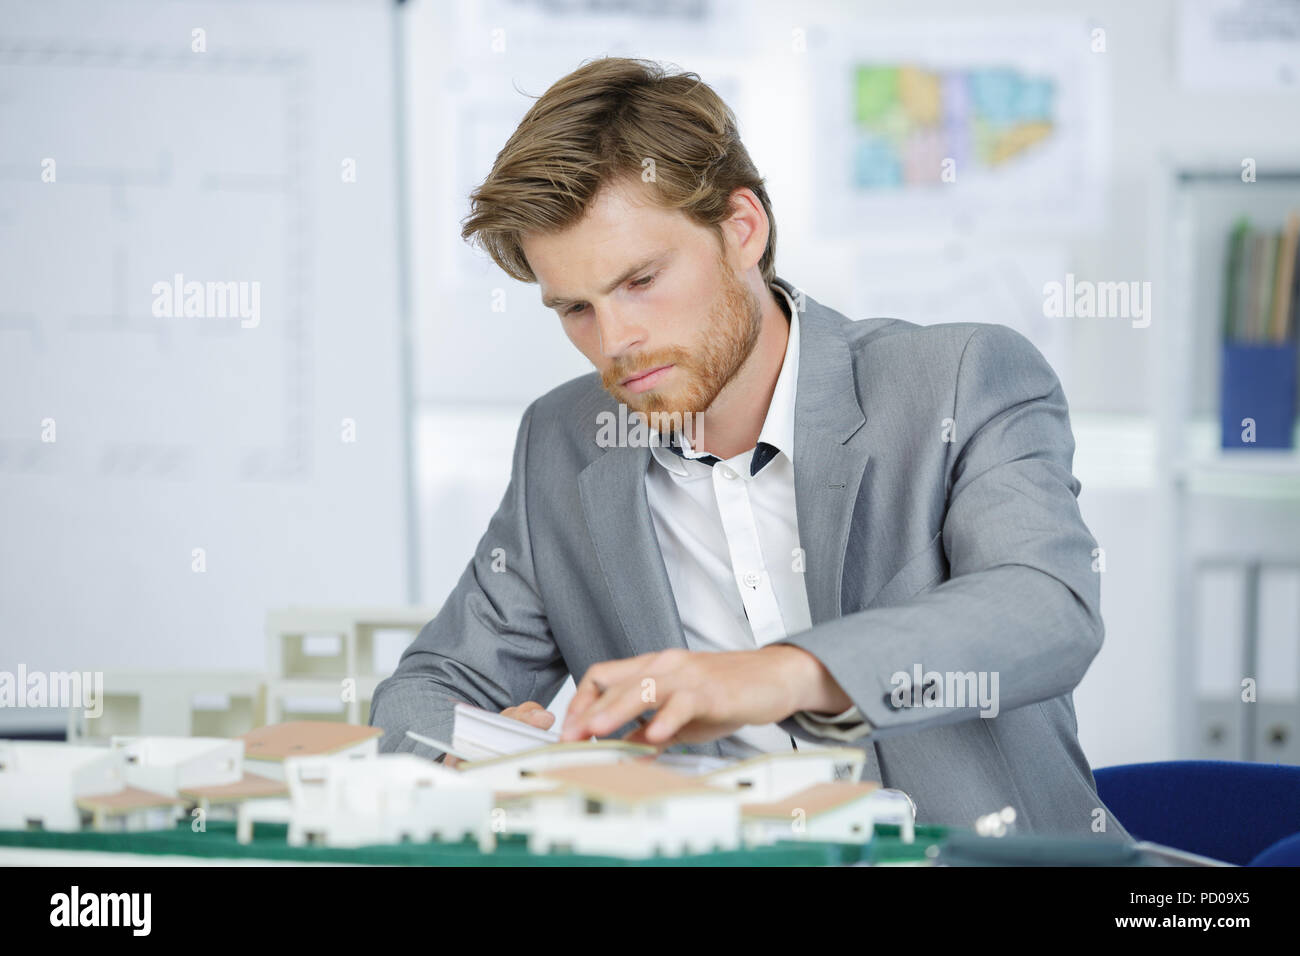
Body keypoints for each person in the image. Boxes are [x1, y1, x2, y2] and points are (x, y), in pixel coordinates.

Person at [370, 56, 1130, 838]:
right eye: (575, 308)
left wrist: (774, 676)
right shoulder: (561, 445)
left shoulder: (958, 379)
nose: (616, 342)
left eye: (640, 281)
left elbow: (1046, 608)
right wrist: (455, 761)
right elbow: (433, 683)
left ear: (742, 230)